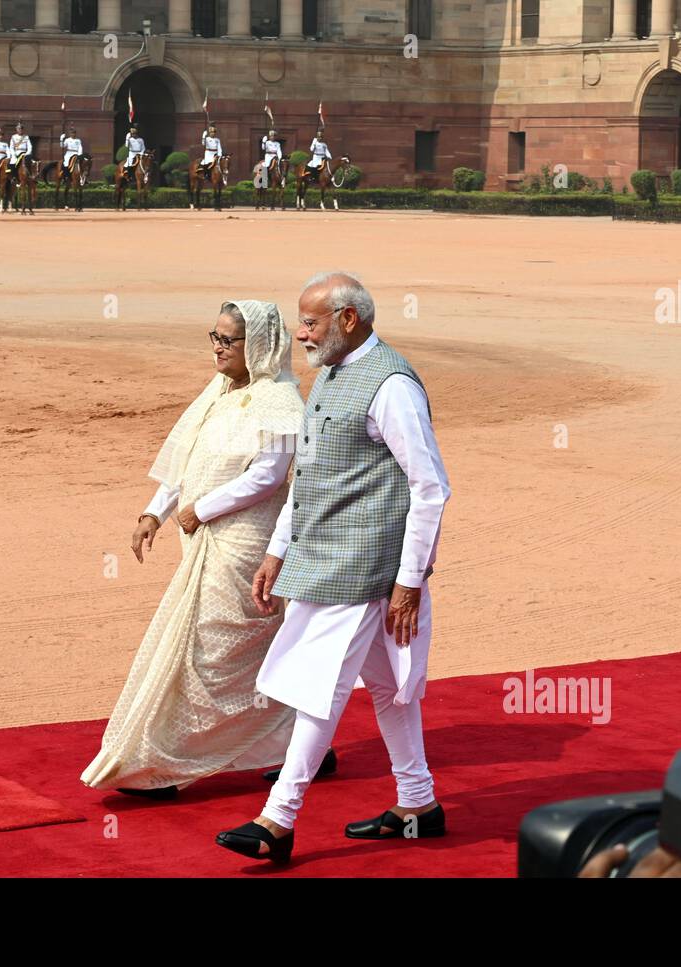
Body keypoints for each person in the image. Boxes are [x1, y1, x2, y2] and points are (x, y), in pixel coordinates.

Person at [215, 270, 451, 865]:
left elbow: (430, 487)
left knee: (320, 685)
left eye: (311, 322)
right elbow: (309, 476)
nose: (300, 334)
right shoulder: (329, 375)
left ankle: (278, 818)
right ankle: (419, 803)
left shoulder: (392, 384)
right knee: (388, 689)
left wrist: (408, 582)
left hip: (366, 566)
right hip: (325, 558)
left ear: (348, 320)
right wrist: (277, 549)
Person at [82, 300, 324, 799]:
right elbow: (184, 461)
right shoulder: (217, 392)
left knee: (213, 652)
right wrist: (155, 512)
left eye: (227, 340)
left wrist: (203, 508)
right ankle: (300, 746)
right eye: (213, 337)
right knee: (225, 652)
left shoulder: (279, 399)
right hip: (205, 536)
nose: (217, 348)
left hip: (245, 545)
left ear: (255, 345)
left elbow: (270, 474)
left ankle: (168, 764)